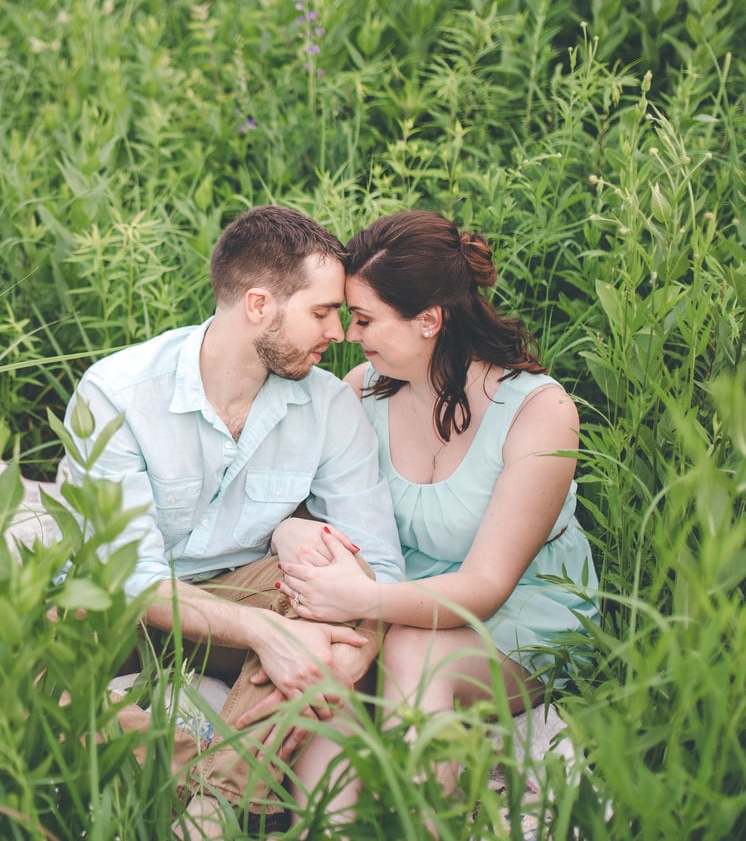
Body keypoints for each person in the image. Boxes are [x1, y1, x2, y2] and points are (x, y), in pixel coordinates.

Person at [61, 205, 406, 826]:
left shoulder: (329, 405)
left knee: (336, 570)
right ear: (258, 305)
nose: (339, 333)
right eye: (322, 313)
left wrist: (350, 658)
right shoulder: (116, 393)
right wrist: (265, 634)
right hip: (112, 613)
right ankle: (216, 772)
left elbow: (376, 561)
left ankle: (212, 810)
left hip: (233, 598)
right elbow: (129, 579)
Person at [276, 209, 599, 806]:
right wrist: (291, 533)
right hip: (393, 600)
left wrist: (362, 600)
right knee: (334, 654)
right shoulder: (360, 393)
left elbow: (486, 586)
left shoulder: (538, 412)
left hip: (519, 616)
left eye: (364, 318)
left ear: (428, 321)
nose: (349, 334)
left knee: (414, 649)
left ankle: (424, 819)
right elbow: (304, 508)